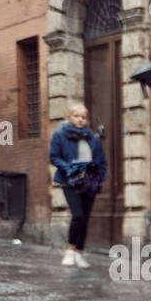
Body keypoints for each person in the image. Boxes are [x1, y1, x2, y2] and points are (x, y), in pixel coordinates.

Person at [49, 103, 106, 267]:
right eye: (77, 116)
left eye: (83, 117)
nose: (80, 120)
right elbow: (54, 157)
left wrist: (100, 178)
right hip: (69, 181)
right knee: (78, 215)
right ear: (69, 117)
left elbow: (101, 160)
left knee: (85, 218)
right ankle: (70, 250)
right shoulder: (60, 135)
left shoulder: (92, 138)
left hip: (90, 181)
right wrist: (70, 169)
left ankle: (80, 253)